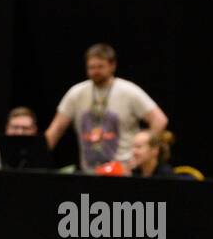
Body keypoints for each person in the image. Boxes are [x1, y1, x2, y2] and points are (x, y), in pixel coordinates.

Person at [43, 43, 168, 172]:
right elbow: (56, 129)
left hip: (122, 174)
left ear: (112, 66)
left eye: (100, 67)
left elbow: (159, 120)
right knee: (83, 193)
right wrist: (37, 158)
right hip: (89, 174)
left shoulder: (128, 91)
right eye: (91, 67)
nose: (95, 71)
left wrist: (142, 154)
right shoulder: (76, 93)